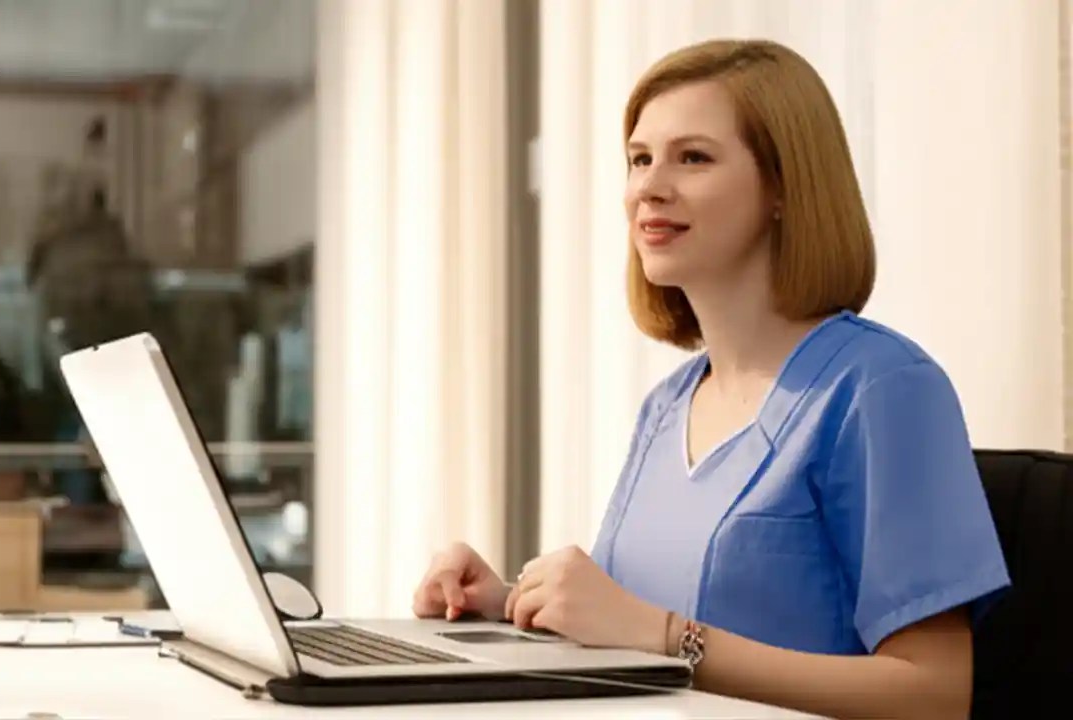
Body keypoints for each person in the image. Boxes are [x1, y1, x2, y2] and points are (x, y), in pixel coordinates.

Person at [412, 39, 1009, 720]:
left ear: (785, 185)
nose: (648, 187)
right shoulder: (667, 407)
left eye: (692, 157)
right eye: (639, 159)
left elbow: (933, 695)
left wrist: (669, 639)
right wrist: (516, 602)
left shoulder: (881, 389)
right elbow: (638, 620)